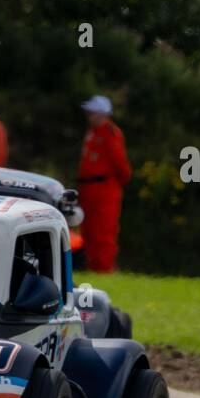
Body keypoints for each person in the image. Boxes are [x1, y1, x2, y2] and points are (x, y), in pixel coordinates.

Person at [75, 95, 132, 273]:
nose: (89, 115)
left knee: (104, 230)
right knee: (89, 229)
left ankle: (105, 268)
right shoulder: (92, 133)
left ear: (102, 113)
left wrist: (113, 184)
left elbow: (121, 165)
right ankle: (93, 266)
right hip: (88, 187)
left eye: (92, 112)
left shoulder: (110, 133)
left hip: (105, 188)